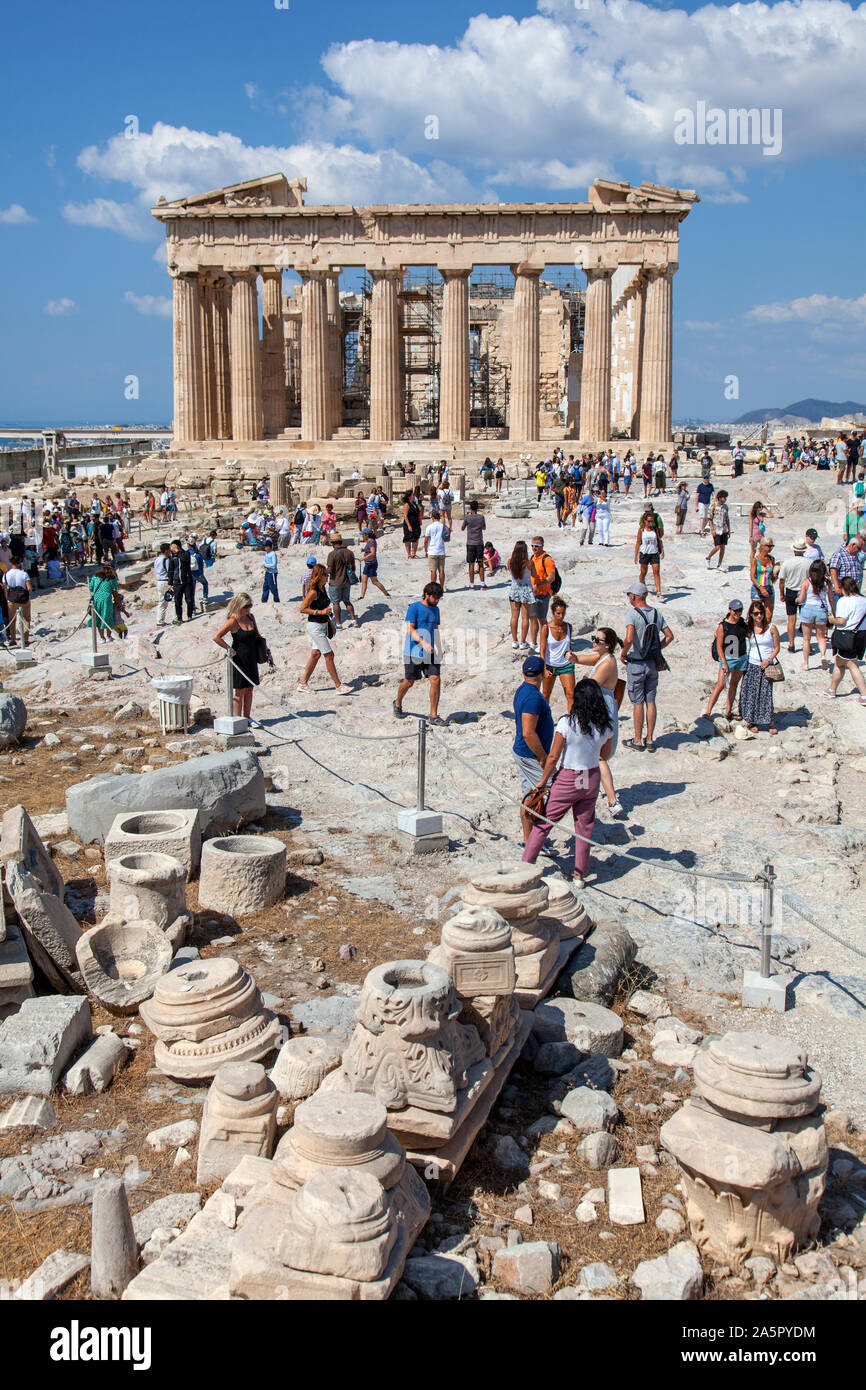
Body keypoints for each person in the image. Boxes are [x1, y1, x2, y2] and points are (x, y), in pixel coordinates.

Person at [522, 679, 613, 888]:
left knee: (544, 821)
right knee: (584, 827)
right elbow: (604, 755)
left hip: (569, 777)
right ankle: (579, 876)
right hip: (590, 777)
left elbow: (553, 756)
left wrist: (542, 781)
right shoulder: (605, 726)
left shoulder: (567, 723)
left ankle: (527, 864)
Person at [574, 626, 625, 816]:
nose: (593, 642)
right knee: (595, 756)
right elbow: (583, 659)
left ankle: (606, 799)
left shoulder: (608, 663)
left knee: (596, 756)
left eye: (598, 640)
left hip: (600, 712)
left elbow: (588, 684)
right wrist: (574, 658)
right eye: (593, 638)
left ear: (608, 645)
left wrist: (583, 677)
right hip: (598, 709)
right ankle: (609, 799)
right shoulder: (602, 657)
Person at [621, 580, 674, 752]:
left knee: (637, 702)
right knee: (650, 701)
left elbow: (629, 638)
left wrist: (623, 653)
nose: (629, 597)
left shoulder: (633, 614)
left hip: (636, 663)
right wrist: (657, 649)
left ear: (635, 596)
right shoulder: (657, 614)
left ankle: (637, 740)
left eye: (629, 594)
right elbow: (669, 636)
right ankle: (650, 739)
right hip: (652, 663)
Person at [512, 654, 554, 842]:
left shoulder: (523, 690)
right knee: (543, 797)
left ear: (523, 672)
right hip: (531, 755)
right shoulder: (532, 698)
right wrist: (543, 757)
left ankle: (530, 841)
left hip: (526, 753)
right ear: (543, 674)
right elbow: (529, 733)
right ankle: (535, 842)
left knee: (531, 794)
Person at [213, 593, 274, 719]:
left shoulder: (251, 617)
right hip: (239, 658)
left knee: (250, 688)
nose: (248, 609)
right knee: (240, 690)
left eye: (250, 606)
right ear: (238, 606)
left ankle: (247, 718)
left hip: (252, 657)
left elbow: (257, 635)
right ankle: (237, 719)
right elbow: (217, 637)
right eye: (246, 606)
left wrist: (267, 651)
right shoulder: (233, 621)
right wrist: (229, 649)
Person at [296, 564, 352, 695]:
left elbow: (326, 609)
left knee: (316, 655)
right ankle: (338, 686)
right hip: (314, 626)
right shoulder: (313, 591)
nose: (328, 577)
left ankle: (303, 684)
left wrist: (330, 624)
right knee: (329, 654)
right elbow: (302, 609)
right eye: (325, 575)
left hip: (322, 624)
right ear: (319, 576)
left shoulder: (322, 589)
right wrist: (320, 612)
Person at [394, 582, 444, 724]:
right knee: (409, 682)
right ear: (427, 595)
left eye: (439, 598)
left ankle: (433, 715)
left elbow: (435, 629)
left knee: (435, 679)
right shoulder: (414, 608)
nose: (437, 601)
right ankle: (398, 703)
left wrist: (439, 648)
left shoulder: (436, 610)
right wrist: (423, 642)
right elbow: (410, 629)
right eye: (435, 598)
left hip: (430, 652)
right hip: (413, 651)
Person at [739, 600, 781, 734]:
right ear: (751, 614)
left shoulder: (771, 628)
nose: (759, 616)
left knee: (765, 694)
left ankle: (769, 721)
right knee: (751, 693)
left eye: (761, 613)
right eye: (756, 613)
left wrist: (769, 660)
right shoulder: (749, 629)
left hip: (766, 665)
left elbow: (777, 648)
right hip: (752, 664)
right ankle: (753, 721)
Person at [704, 599, 748, 720]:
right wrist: (723, 662)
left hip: (741, 657)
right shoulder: (723, 626)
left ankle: (728, 712)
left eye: (740, 611)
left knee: (734, 685)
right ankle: (708, 711)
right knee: (720, 684)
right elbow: (719, 646)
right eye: (736, 611)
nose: (738, 613)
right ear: (730, 610)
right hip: (728, 658)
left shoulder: (742, 623)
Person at [825, 576, 866, 703]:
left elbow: (841, 621)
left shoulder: (844, 601)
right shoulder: (864, 600)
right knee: (840, 662)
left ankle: (864, 695)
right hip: (861, 634)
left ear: (844, 588)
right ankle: (832, 689)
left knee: (852, 664)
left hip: (846, 635)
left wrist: (831, 620)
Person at [540, 596, 576, 709]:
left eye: (563, 613)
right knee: (546, 694)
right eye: (558, 613)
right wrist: (544, 668)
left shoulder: (568, 627)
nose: (561, 616)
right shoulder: (546, 628)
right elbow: (542, 650)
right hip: (550, 665)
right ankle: (544, 721)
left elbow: (568, 646)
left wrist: (571, 653)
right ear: (553, 612)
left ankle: (572, 722)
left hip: (566, 665)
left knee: (571, 695)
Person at [797, 559, 834, 671]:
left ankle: (806, 663)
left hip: (807, 609)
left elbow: (802, 599)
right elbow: (831, 599)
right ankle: (823, 655)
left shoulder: (806, 581)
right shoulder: (827, 582)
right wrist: (834, 611)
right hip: (821, 609)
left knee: (806, 638)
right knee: (821, 637)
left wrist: (797, 599)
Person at [776, 540, 811, 653]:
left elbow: (782, 581)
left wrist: (781, 594)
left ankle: (791, 644)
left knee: (791, 619)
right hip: (804, 591)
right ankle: (807, 645)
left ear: (794, 550)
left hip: (791, 591)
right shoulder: (809, 563)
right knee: (805, 620)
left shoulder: (787, 563)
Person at [528, 536, 556, 650]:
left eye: (537, 546)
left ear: (542, 546)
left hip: (543, 593)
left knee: (542, 619)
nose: (534, 548)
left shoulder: (547, 559)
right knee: (532, 617)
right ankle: (534, 643)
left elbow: (551, 578)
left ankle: (545, 642)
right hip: (533, 593)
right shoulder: (533, 557)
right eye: (532, 546)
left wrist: (538, 586)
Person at [326, 534, 357, 629]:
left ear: (332, 543)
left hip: (335, 582)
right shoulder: (350, 553)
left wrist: (324, 571)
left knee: (336, 603)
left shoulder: (332, 554)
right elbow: (353, 568)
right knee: (347, 601)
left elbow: (330, 570)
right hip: (346, 581)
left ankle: (339, 624)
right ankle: (353, 620)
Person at [508, 540, 534, 650]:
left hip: (514, 588)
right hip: (526, 589)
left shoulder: (510, 561)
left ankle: (514, 641)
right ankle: (523, 642)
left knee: (514, 616)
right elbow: (535, 575)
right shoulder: (529, 563)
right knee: (525, 617)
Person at [88, 564, 126, 642]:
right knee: (108, 617)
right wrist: (120, 605)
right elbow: (115, 594)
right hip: (106, 599)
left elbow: (91, 588)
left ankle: (102, 638)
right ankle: (109, 636)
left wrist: (98, 593)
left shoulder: (95, 577)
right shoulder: (112, 578)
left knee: (98, 618)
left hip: (96, 599)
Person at [635, 509, 664, 600]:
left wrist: (662, 551)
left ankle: (659, 592)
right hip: (645, 553)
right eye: (649, 521)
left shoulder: (655, 530)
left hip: (654, 553)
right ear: (644, 521)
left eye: (652, 521)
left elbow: (659, 540)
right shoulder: (641, 530)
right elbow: (638, 542)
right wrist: (636, 556)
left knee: (656, 571)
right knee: (643, 572)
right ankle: (641, 586)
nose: (650, 523)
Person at [3, 559, 32, 646]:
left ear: (10, 563)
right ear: (20, 563)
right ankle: (25, 639)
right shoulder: (24, 574)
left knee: (12, 620)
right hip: (23, 599)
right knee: (26, 619)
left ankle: (13, 639)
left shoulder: (6, 574)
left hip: (11, 600)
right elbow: (29, 588)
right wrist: (26, 595)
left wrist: (7, 598)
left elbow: (5, 588)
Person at [461, 500, 487, 590]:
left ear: (470, 508)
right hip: (479, 543)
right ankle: (482, 584)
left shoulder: (467, 517)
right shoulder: (481, 517)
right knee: (480, 564)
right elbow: (484, 527)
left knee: (471, 564)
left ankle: (472, 585)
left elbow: (462, 528)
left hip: (470, 543)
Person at [359, 528, 390, 601]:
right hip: (368, 564)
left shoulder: (371, 542)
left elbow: (373, 553)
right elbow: (370, 550)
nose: (363, 536)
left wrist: (363, 558)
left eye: (363, 535)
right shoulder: (370, 541)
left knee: (374, 581)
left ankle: (386, 593)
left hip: (371, 564)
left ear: (367, 535)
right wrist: (364, 550)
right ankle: (362, 596)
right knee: (364, 580)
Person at [168, 539, 194, 624]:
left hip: (187, 581)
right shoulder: (172, 558)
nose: (171, 548)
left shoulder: (186, 554)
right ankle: (179, 617)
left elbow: (184, 560)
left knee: (189, 599)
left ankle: (189, 615)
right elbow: (171, 571)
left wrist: (178, 552)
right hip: (177, 582)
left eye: (173, 546)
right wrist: (170, 583)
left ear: (177, 546)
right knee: (178, 601)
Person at [706, 490, 731, 569]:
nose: (725, 499)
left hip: (724, 529)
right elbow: (709, 518)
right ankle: (708, 557)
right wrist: (712, 529)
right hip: (716, 529)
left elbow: (727, 518)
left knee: (723, 547)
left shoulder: (725, 507)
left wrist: (729, 529)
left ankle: (719, 564)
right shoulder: (713, 506)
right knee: (717, 546)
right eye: (724, 497)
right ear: (720, 498)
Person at [424, 507, 448, 590]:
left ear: (433, 518)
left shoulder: (429, 527)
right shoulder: (443, 526)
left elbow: (426, 540)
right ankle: (441, 587)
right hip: (441, 550)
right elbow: (447, 538)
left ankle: (433, 588)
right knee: (441, 570)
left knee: (433, 570)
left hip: (432, 551)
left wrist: (425, 550)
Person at [153, 542, 171, 627]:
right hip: (165, 581)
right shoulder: (166, 560)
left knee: (161, 602)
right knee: (171, 600)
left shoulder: (157, 559)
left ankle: (159, 620)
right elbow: (169, 571)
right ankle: (175, 618)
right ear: (167, 550)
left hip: (159, 581)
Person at [189, 537, 209, 613]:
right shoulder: (198, 553)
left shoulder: (187, 553)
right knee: (205, 583)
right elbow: (201, 564)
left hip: (191, 574)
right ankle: (205, 598)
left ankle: (193, 609)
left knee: (192, 591)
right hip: (199, 573)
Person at [261, 539, 280, 605]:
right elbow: (264, 561)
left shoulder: (273, 554)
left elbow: (274, 565)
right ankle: (263, 601)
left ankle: (277, 601)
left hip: (272, 573)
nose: (265, 548)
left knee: (273, 588)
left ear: (269, 546)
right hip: (267, 572)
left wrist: (266, 566)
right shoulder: (267, 553)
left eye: (266, 546)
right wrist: (265, 566)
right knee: (265, 587)